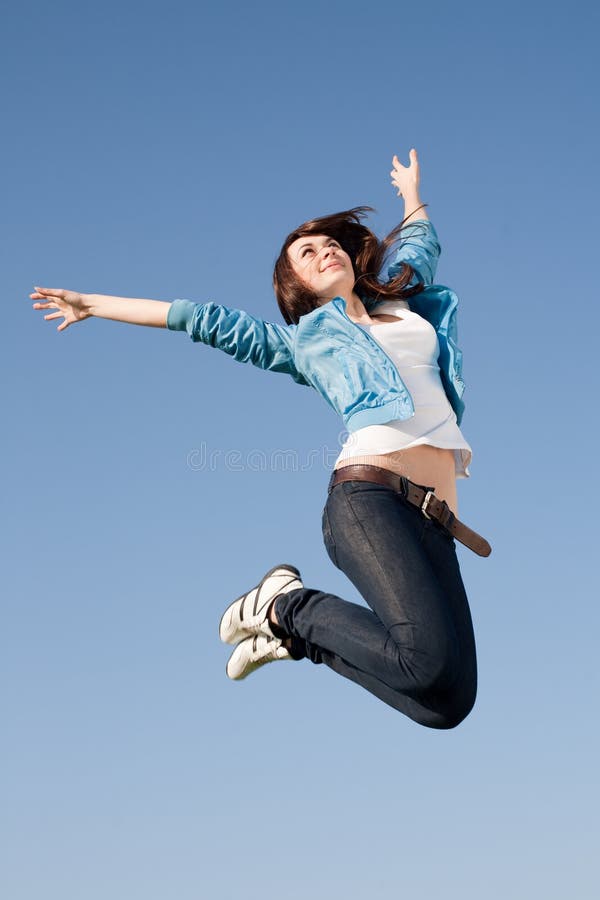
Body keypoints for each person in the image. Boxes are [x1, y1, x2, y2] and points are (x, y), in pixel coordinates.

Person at [30, 149, 490, 729]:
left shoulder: (405, 305)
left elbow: (421, 242)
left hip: (436, 517)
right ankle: (284, 605)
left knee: (448, 702)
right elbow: (202, 320)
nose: (324, 252)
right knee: (424, 663)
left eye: (331, 245)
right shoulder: (306, 342)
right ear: (294, 281)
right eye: (306, 252)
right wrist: (91, 305)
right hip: (370, 500)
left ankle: (293, 635)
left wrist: (410, 194)